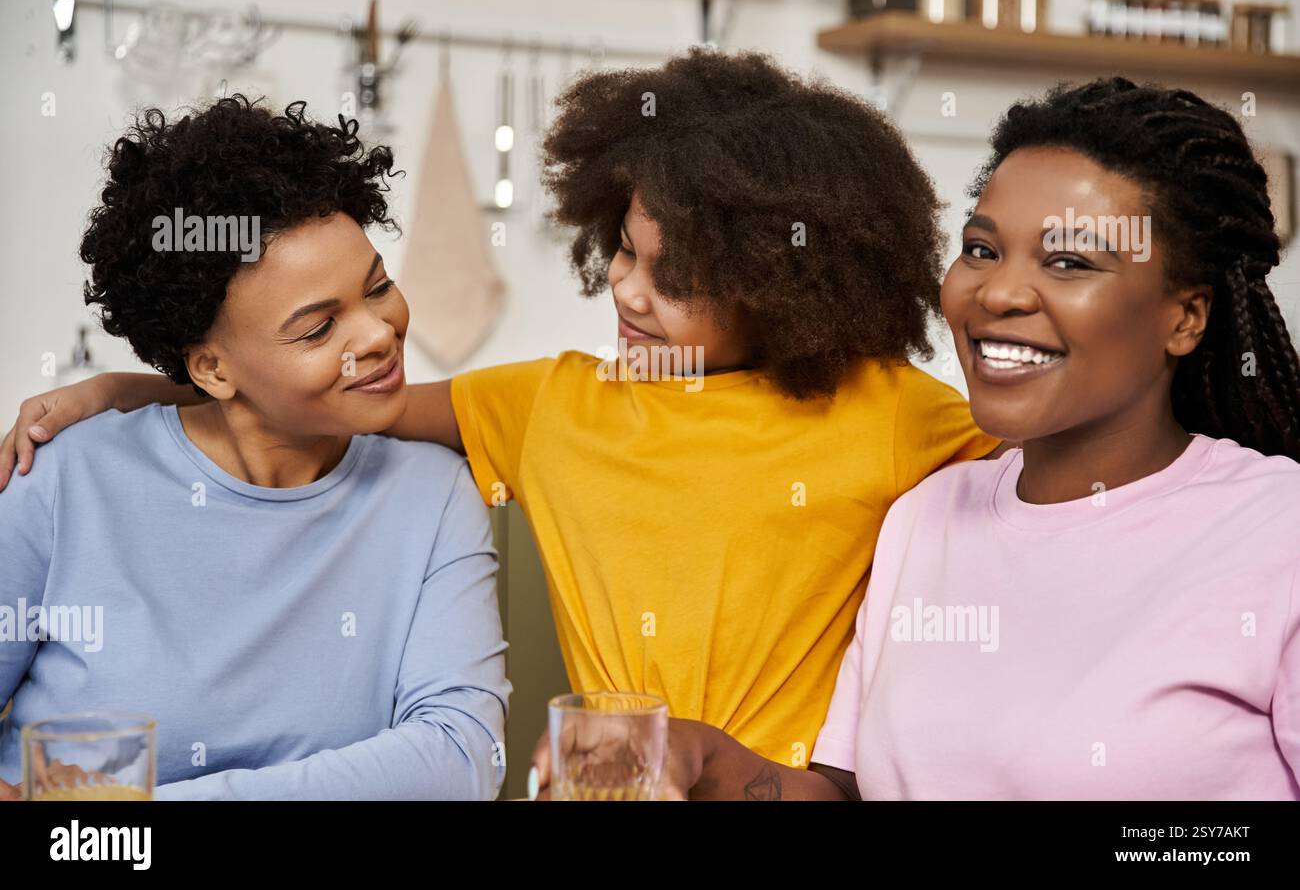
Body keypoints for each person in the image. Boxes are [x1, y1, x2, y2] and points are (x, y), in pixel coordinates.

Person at [1, 48, 999, 772]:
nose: (628, 292)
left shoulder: (893, 411)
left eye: (678, 275)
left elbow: (1079, 446)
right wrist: (133, 390)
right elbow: (327, 402)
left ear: (786, 278)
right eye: (623, 250)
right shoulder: (555, 403)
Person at [576, 77, 1300, 800]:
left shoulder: (1277, 531)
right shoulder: (926, 518)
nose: (999, 293)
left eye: (1069, 262)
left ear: (1186, 317)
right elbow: (840, 791)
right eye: (982, 250)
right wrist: (700, 756)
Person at [0, 96, 510, 799]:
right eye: (317, 330)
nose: (378, 334)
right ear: (211, 368)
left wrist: (124, 816)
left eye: (377, 287)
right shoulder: (61, 479)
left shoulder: (433, 494)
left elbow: (460, 761)